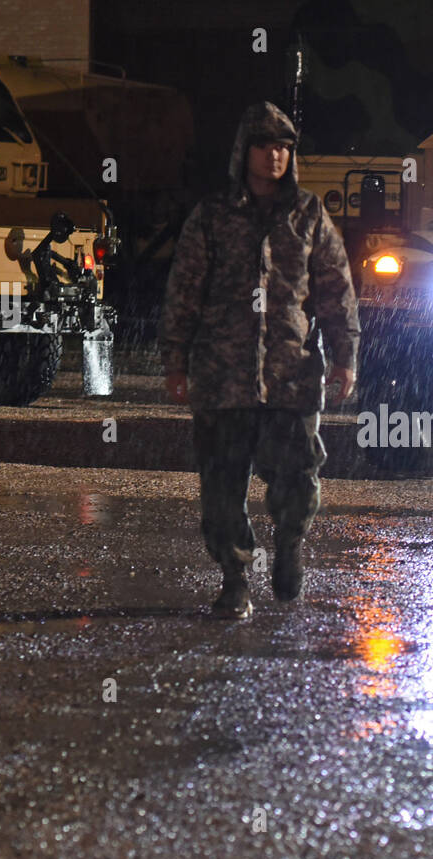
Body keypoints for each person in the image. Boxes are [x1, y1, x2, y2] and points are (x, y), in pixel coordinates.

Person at [159, 101, 359, 619]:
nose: (276, 155)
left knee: (298, 474)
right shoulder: (213, 215)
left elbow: (337, 289)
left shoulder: (308, 214)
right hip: (222, 375)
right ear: (244, 150)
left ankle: (290, 544)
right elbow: (184, 289)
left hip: (290, 372)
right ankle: (235, 579)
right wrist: (175, 360)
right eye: (266, 145)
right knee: (222, 487)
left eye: (285, 147)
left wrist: (345, 356)